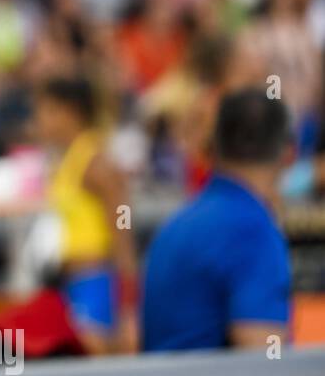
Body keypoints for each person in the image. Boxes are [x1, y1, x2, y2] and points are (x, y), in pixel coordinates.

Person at [141, 87, 294, 351]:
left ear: (214, 147)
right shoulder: (253, 231)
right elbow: (263, 359)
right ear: (288, 153)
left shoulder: (175, 226)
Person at [33, 76, 139, 354]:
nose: (40, 119)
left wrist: (127, 307)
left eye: (48, 110)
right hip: (73, 284)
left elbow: (123, 235)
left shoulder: (96, 162)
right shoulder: (67, 159)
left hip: (97, 283)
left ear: (71, 112)